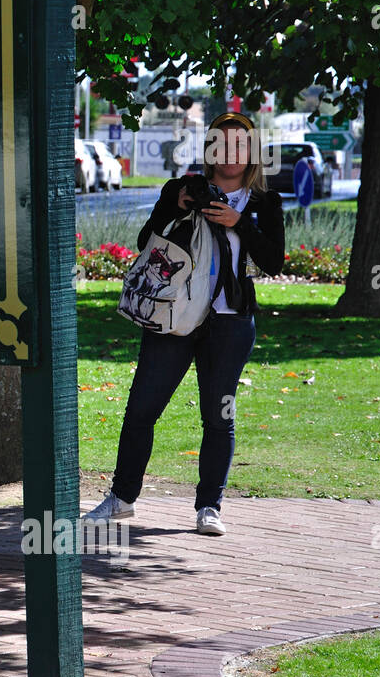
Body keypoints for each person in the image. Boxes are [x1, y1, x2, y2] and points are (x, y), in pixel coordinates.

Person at [85, 112, 286, 535]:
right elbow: (146, 243)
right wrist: (172, 206)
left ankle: (209, 506)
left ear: (251, 152)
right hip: (172, 318)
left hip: (230, 324)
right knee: (141, 409)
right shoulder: (185, 189)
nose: (230, 154)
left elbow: (273, 261)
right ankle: (121, 499)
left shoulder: (264, 203)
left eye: (239, 145)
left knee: (219, 416)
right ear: (210, 148)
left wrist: (240, 225)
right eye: (222, 144)